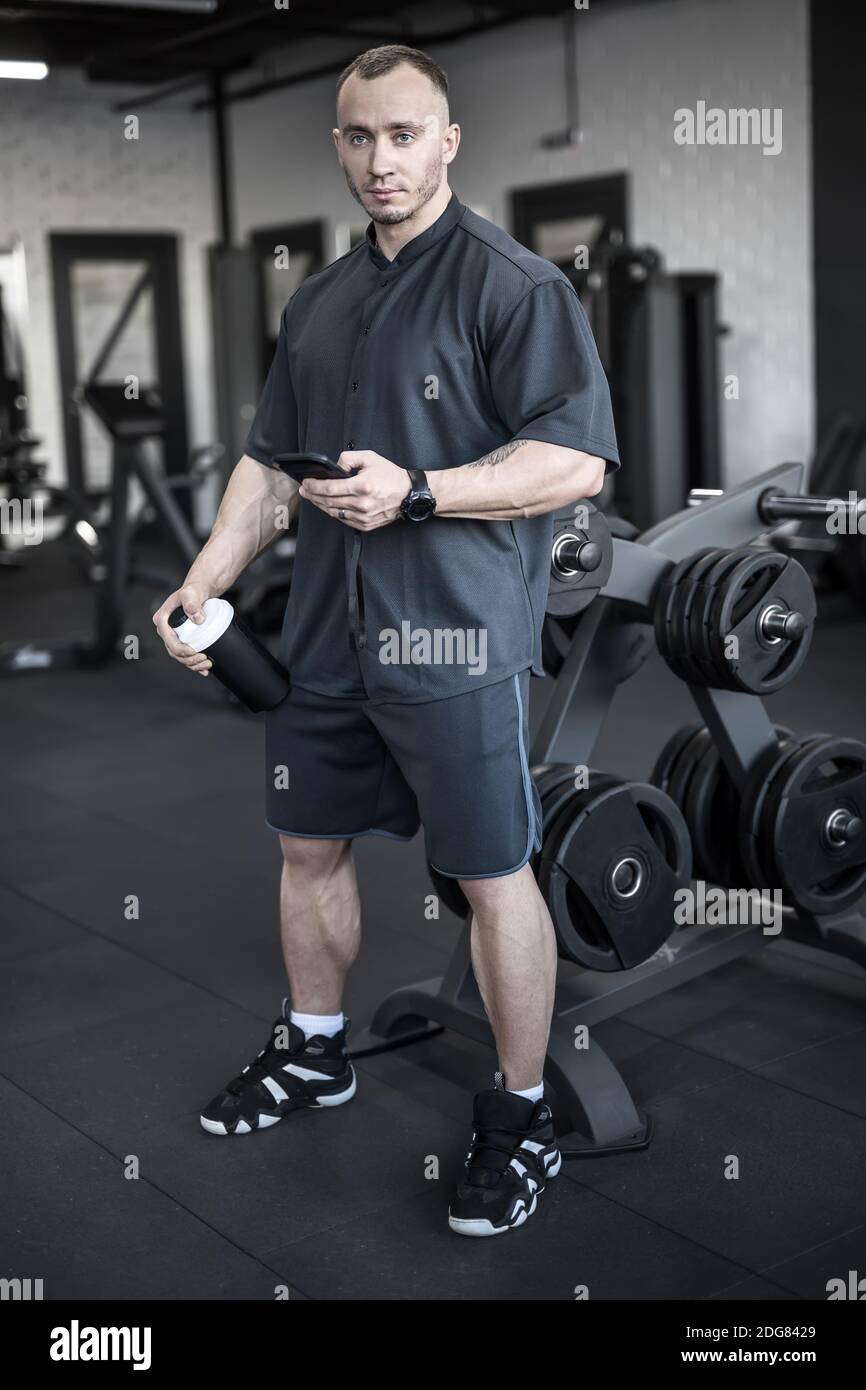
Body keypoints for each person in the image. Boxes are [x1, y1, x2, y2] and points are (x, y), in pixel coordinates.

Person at [153, 43, 620, 1238]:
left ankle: (518, 1116)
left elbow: (570, 461)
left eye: (403, 134)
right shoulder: (316, 299)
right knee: (307, 847)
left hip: (456, 640)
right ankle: (315, 1051)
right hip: (323, 642)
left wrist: (420, 490)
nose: (380, 160)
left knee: (486, 875)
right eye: (358, 137)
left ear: (448, 142)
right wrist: (200, 581)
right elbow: (267, 469)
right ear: (340, 148)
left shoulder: (515, 287)